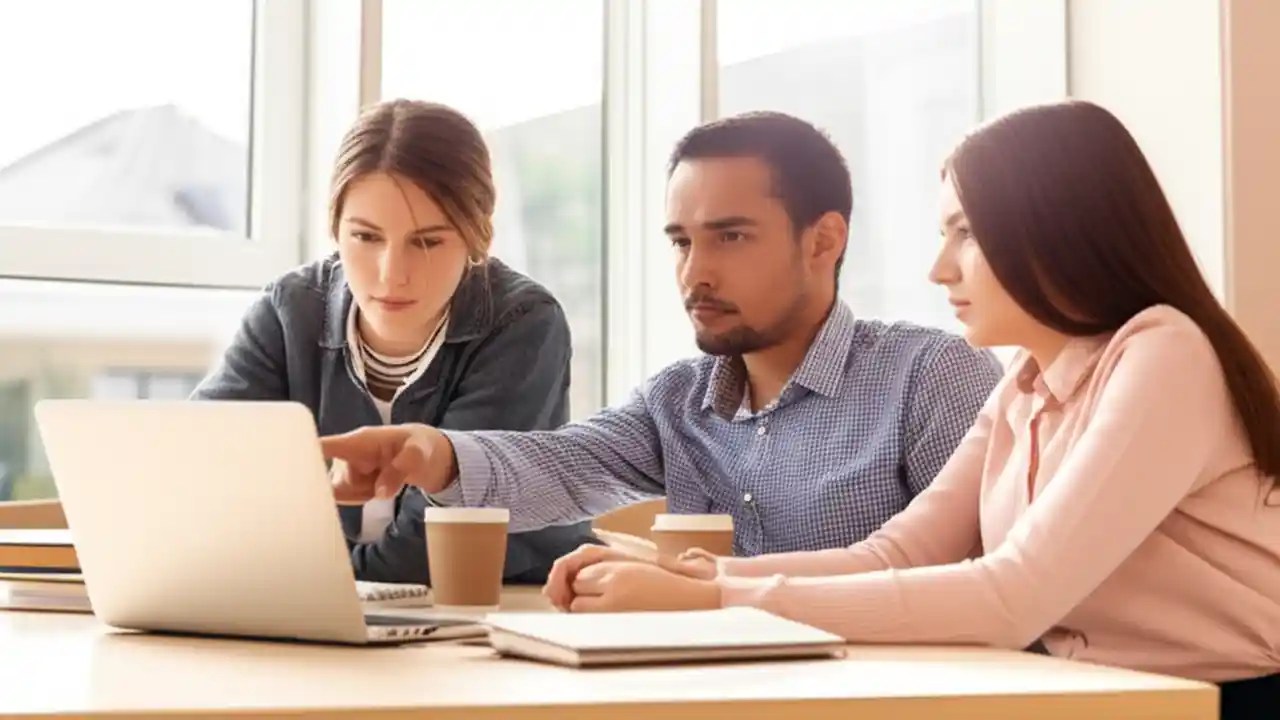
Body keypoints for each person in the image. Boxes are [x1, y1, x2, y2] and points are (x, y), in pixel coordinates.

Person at [544, 101, 1280, 718]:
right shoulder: (1025, 383)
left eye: (968, 232)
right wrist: (698, 577)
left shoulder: (1163, 353)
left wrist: (714, 602)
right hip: (1094, 695)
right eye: (943, 234)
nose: (940, 268)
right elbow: (893, 554)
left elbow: (1010, 596)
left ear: (1054, 226)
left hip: (1221, 702)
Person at [321, 111, 1003, 558]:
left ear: (823, 240)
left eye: (730, 237)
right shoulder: (675, 403)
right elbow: (559, 466)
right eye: (680, 242)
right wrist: (428, 453)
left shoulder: (933, 376)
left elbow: (972, 585)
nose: (694, 273)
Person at [193, 99, 596, 585]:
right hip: (317, 608)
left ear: (477, 238)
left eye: (426, 242)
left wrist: (300, 582)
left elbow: (436, 545)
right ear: (335, 229)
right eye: (365, 237)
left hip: (497, 611)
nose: (391, 274)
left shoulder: (523, 324)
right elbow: (198, 472)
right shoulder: (288, 312)